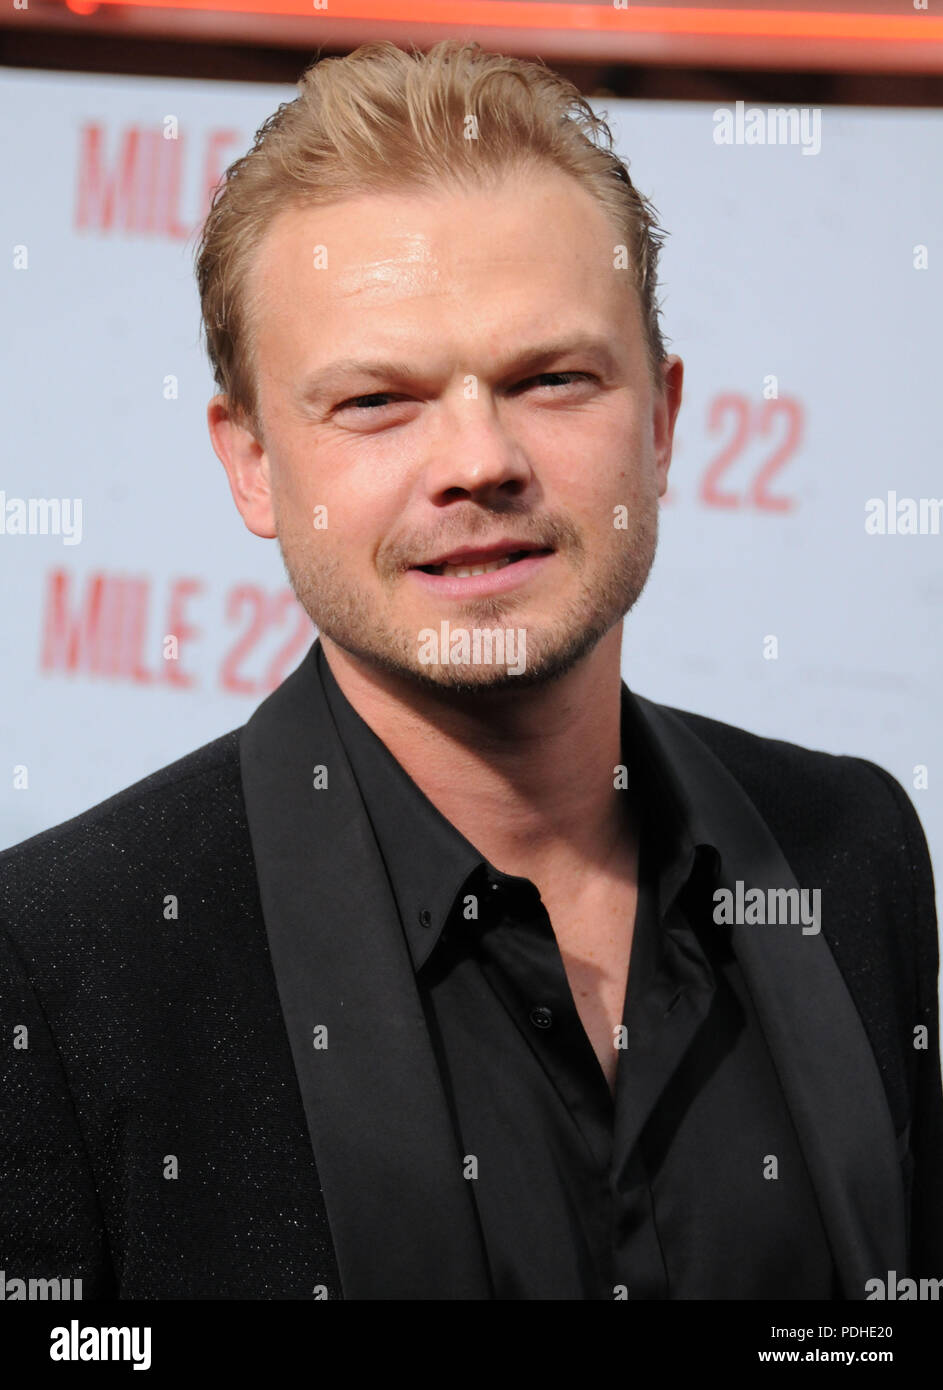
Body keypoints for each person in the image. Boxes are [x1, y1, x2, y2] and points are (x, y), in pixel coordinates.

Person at [1, 39, 939, 1302]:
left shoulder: (849, 845)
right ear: (252, 464)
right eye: (378, 401)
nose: (478, 460)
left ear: (661, 424)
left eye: (551, 378)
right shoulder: (65, 963)